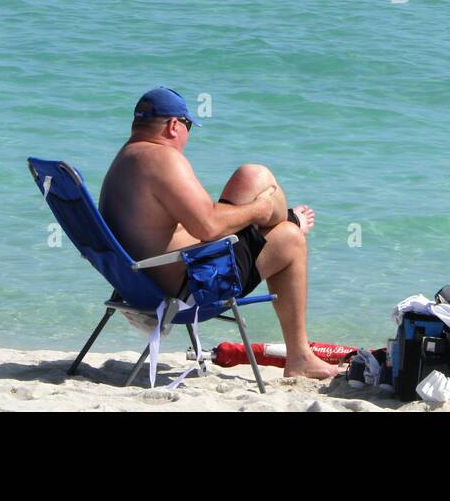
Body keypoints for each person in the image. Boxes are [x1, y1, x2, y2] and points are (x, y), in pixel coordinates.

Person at [98, 87, 341, 379]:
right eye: (188, 127)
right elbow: (208, 227)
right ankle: (300, 356)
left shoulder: (125, 160)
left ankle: (279, 219)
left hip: (145, 284)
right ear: (174, 125)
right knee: (284, 227)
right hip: (194, 285)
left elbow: (189, 224)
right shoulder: (161, 159)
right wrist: (259, 210)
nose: (188, 137)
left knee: (250, 180)